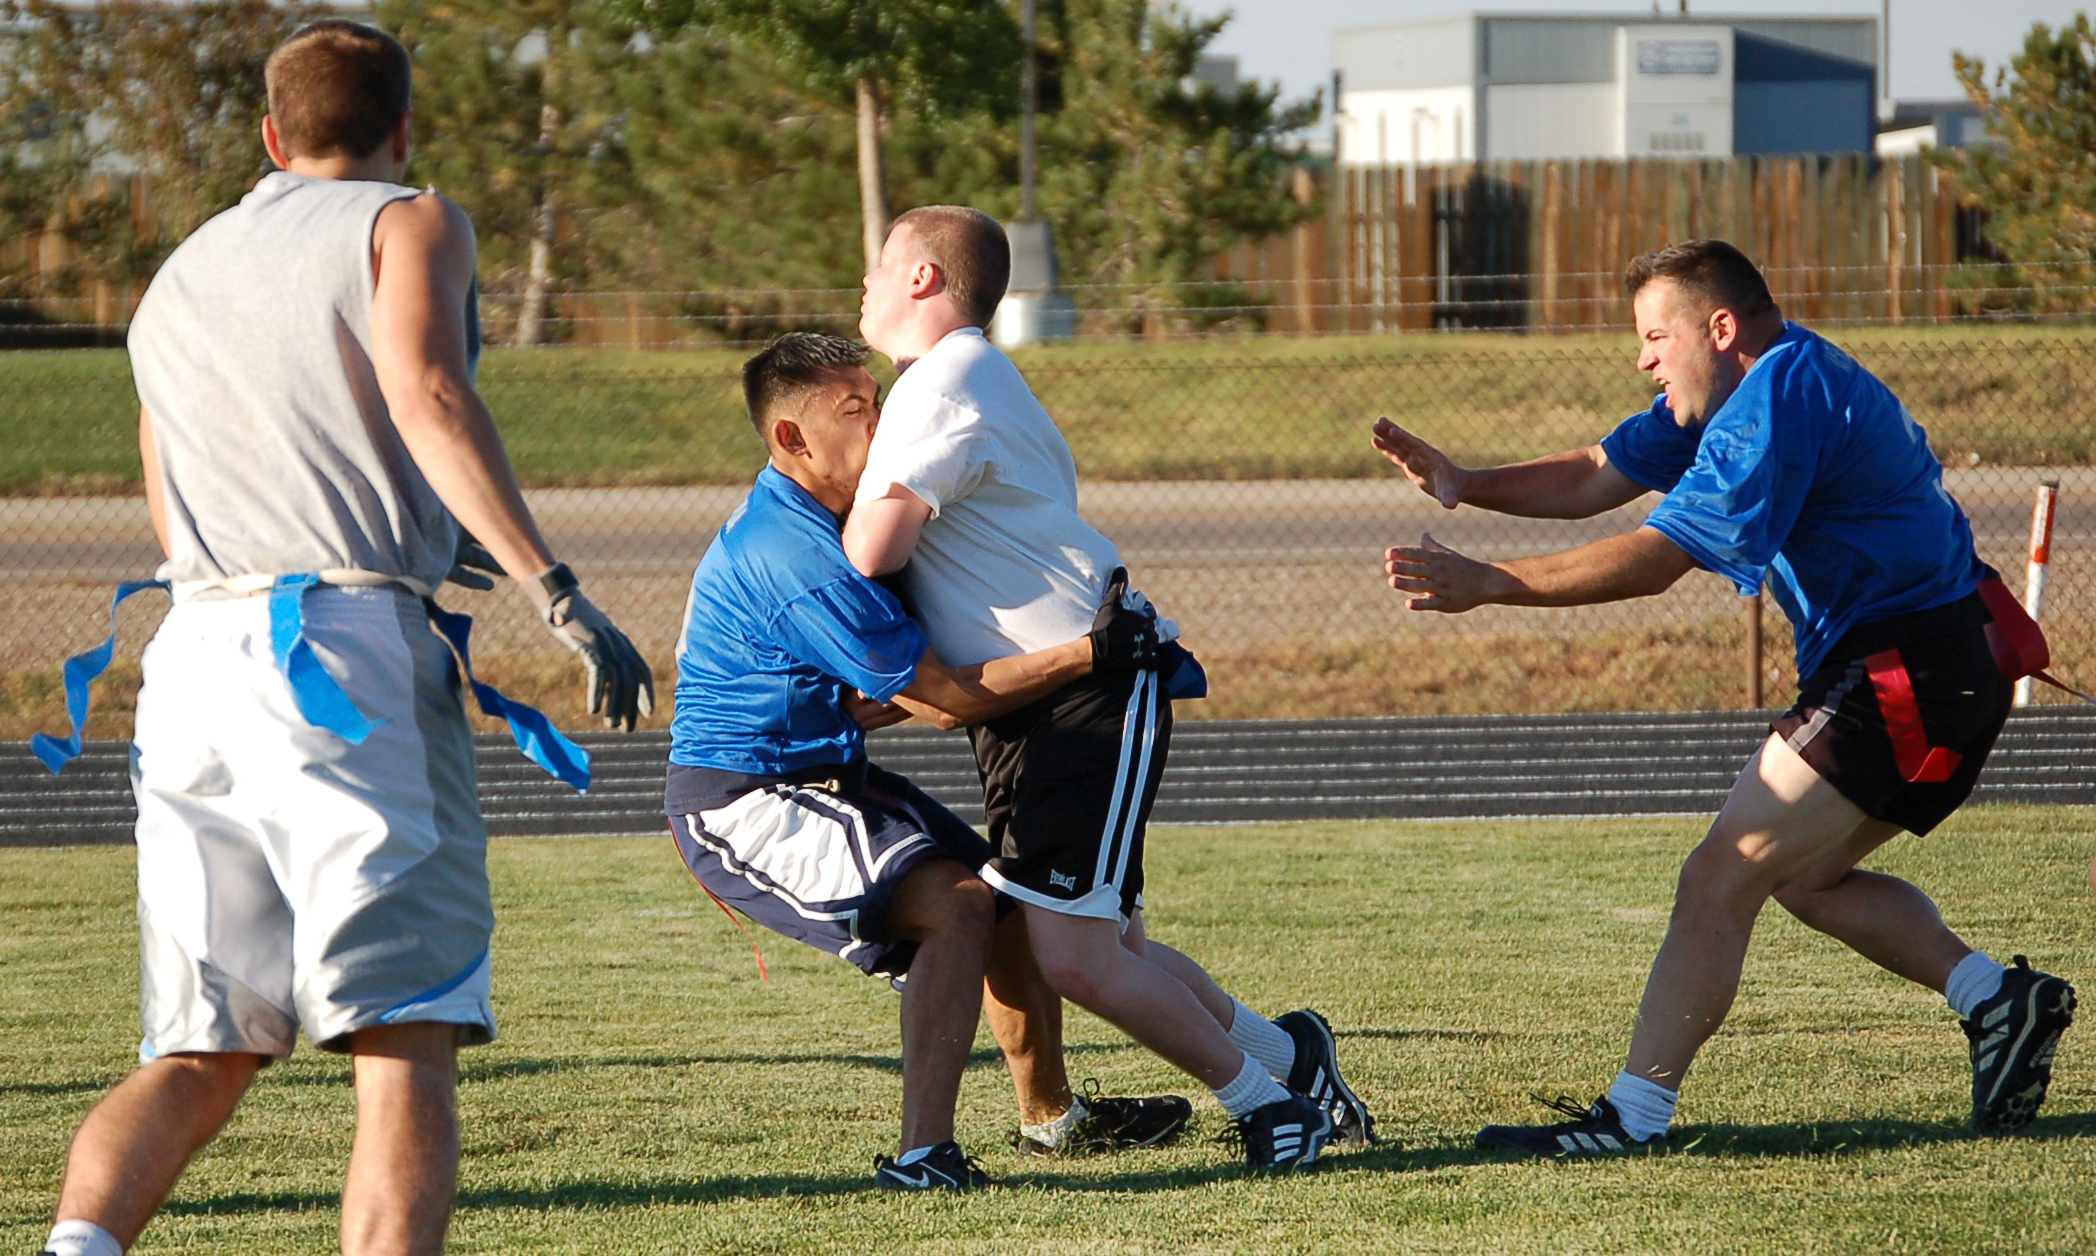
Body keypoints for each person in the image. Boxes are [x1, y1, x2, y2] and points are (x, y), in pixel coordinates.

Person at [39, 21, 654, 1256]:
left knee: (205, 1044)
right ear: (404, 128)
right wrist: (553, 585)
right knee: (404, 1034)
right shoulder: (410, 217)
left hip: (195, 657)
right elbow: (426, 390)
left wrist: (400, 524)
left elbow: (178, 500)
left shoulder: (179, 274)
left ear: (269, 136)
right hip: (339, 659)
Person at [1372, 238, 2075, 1156]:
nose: (1643, 357)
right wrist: (1470, 484)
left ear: (1721, 326)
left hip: (1910, 665)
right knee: (1803, 879)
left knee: (1720, 874)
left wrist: (1494, 582)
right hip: (1935, 658)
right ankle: (1998, 998)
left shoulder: (1778, 395)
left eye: (1656, 337)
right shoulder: (1742, 388)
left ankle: (1631, 1120)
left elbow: (1660, 558)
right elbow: (1596, 470)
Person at [841, 206, 1374, 1171]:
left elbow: (873, 548)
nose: (865, 284)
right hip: (1042, 702)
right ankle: (1289, 1056)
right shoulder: (970, 378)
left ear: (923, 279)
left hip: (1080, 698)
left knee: (1075, 956)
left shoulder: (944, 380)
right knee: (1107, 945)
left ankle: (1268, 1106)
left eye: (881, 265)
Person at [669, 332, 1193, 1191]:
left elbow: (913, 692)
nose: (883, 421)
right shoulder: (796, 550)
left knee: (1015, 905)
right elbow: (945, 699)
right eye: (856, 410)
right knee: (955, 909)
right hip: (745, 798)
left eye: (878, 399)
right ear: (790, 440)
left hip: (829, 776)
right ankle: (922, 1155)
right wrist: (1089, 655)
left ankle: (1053, 1121)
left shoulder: (843, 518)